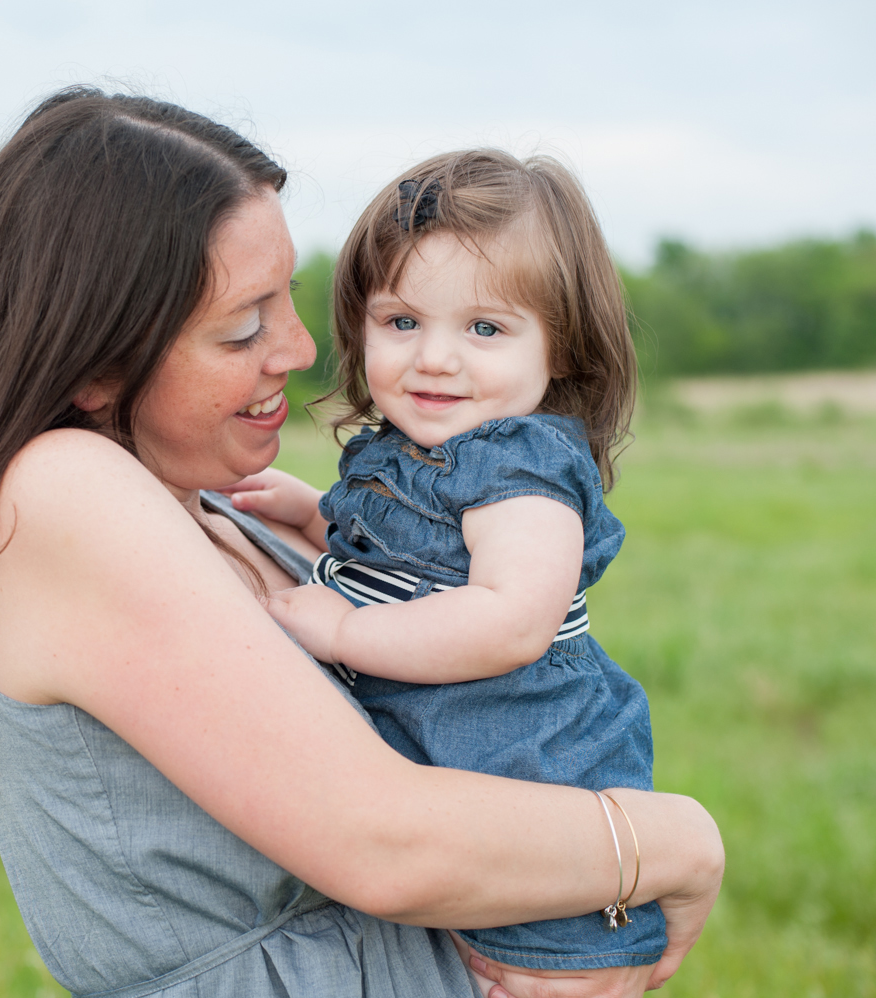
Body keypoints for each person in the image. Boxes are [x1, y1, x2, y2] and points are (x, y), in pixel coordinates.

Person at [0, 87, 723, 998]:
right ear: (96, 364)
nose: (301, 347)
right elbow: (382, 843)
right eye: (245, 325)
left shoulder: (218, 507)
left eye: (291, 298)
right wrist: (673, 842)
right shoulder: (63, 491)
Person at [224, 150, 665, 974]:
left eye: (484, 329)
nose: (434, 357)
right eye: (402, 322)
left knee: (535, 973)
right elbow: (411, 554)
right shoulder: (411, 448)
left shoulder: (523, 473)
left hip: (530, 788)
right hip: (451, 809)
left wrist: (347, 632)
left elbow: (508, 621)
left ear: (561, 349)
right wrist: (313, 512)